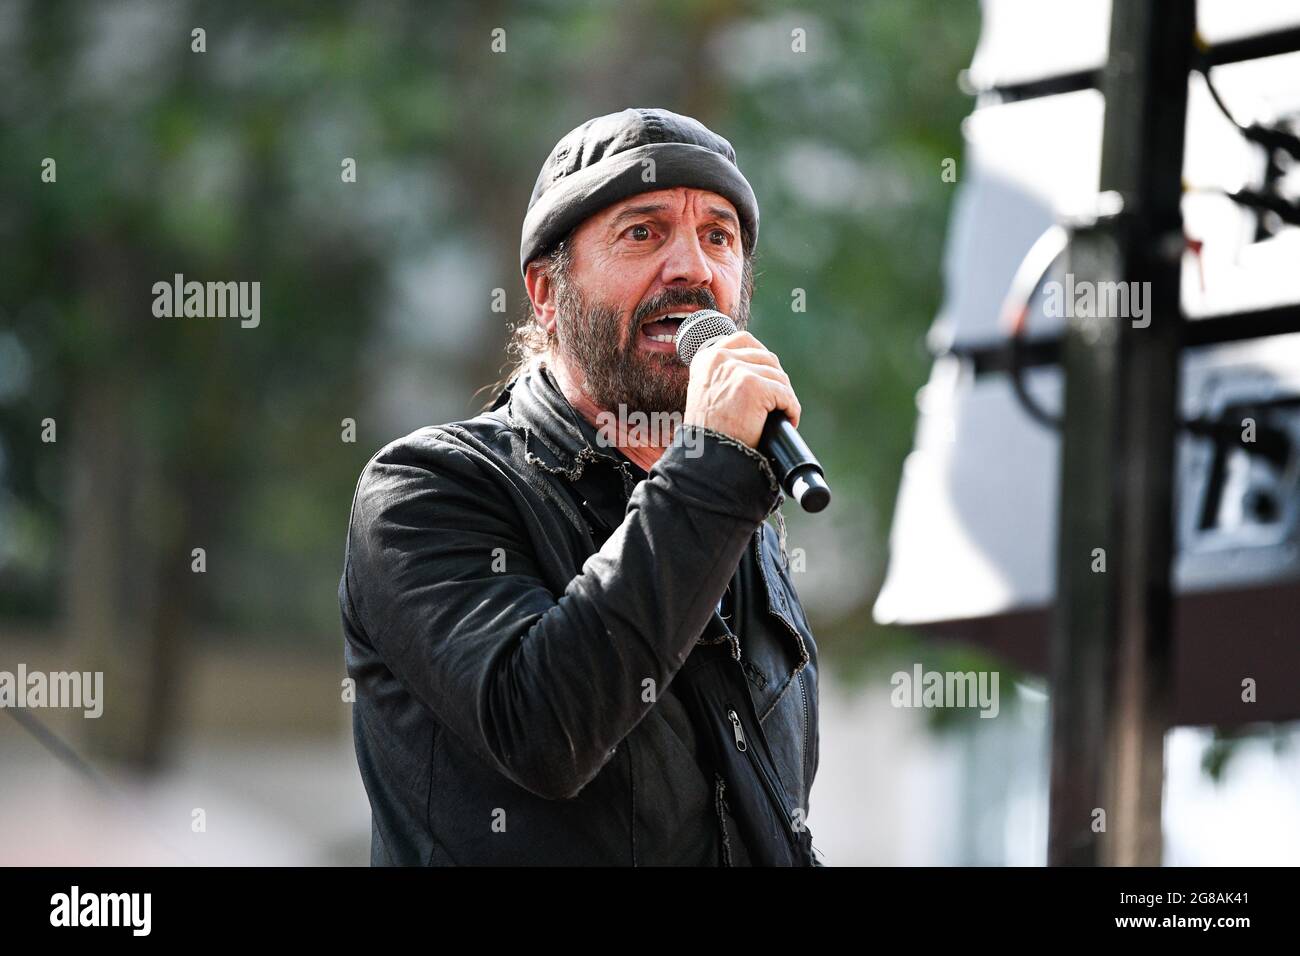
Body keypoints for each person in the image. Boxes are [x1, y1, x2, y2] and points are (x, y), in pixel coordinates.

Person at [340, 107, 822, 865]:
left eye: (718, 236)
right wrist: (713, 472)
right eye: (644, 231)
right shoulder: (426, 491)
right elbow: (545, 732)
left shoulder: (740, 520)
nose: (693, 268)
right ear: (545, 293)